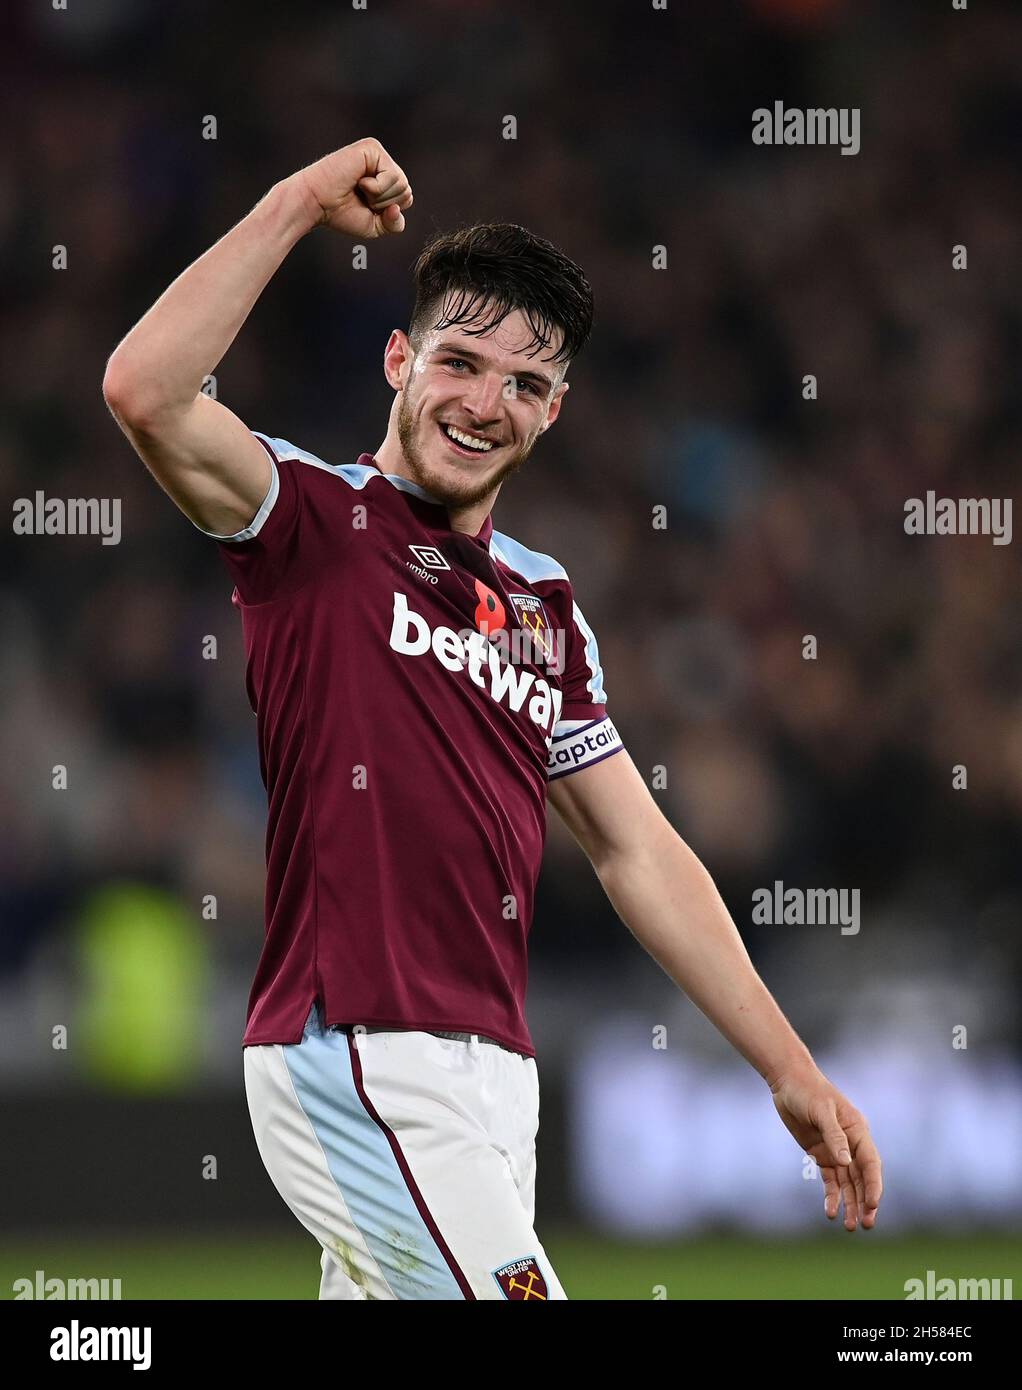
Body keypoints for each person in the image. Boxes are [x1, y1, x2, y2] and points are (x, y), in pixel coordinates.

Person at [102, 137, 883, 1300]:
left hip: (492, 1075)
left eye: (522, 384)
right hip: (360, 1052)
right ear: (397, 358)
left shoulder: (544, 605)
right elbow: (144, 390)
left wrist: (786, 1066)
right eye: (459, 364)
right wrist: (297, 203)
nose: (483, 405)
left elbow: (634, 848)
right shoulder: (313, 523)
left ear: (555, 409)